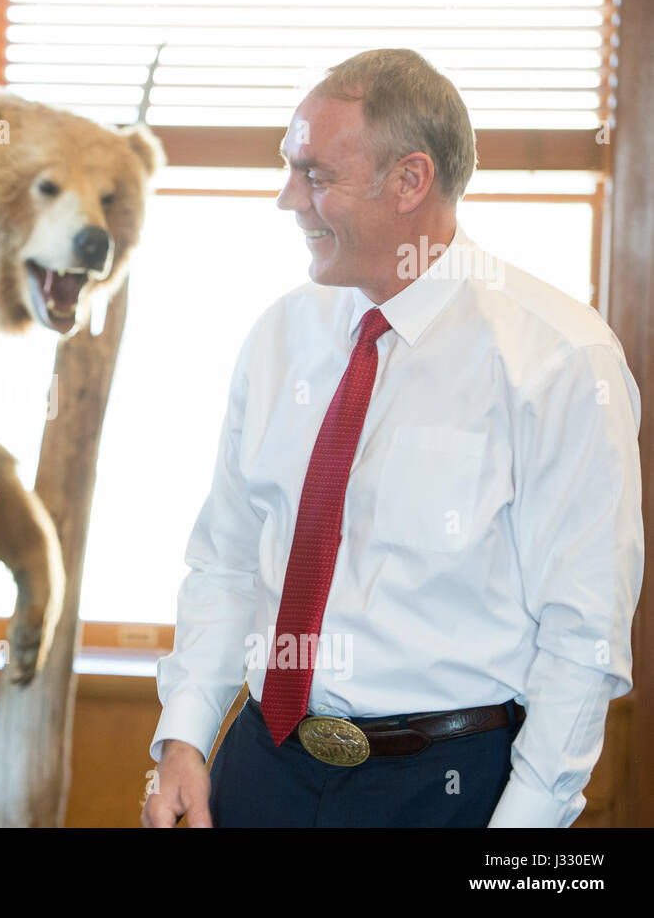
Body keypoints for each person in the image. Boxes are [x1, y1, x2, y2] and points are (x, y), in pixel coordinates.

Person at [142, 49, 642, 828]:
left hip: (447, 786)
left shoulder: (558, 359)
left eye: (315, 175)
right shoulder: (278, 336)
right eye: (288, 167)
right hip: (261, 763)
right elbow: (226, 558)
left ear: (411, 181)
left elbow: (584, 636)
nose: (287, 199)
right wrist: (183, 738)